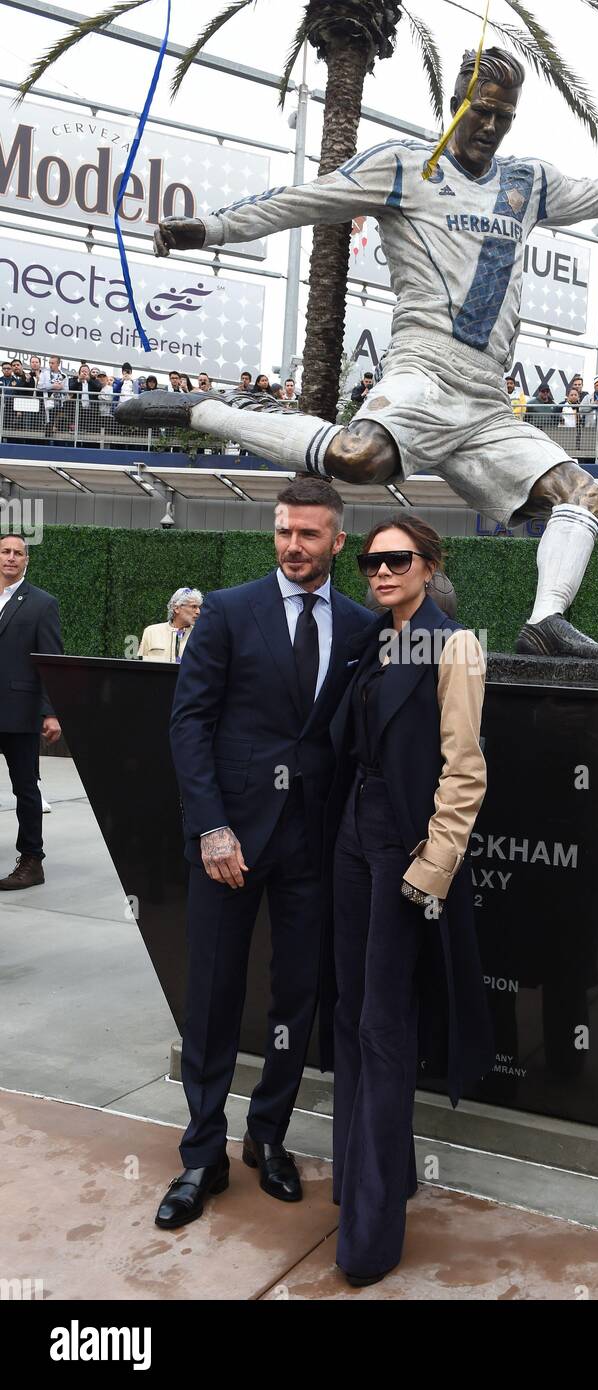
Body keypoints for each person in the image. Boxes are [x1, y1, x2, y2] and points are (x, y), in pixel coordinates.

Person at [123, 46, 598, 659]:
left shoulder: (528, 182)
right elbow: (305, 199)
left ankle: (545, 622)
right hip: (424, 370)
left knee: (582, 493)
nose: (491, 126)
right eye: (481, 109)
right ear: (455, 104)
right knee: (357, 458)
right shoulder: (403, 167)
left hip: (488, 401)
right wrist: (209, 229)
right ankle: (207, 409)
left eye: (504, 115)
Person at [154, 477, 374, 1230]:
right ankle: (201, 1154)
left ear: (337, 541)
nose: (294, 546)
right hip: (229, 842)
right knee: (212, 994)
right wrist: (211, 825)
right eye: (284, 531)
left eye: (310, 534)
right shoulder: (228, 609)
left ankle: (268, 1138)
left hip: (313, 844)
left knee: (297, 998)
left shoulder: (357, 625)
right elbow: (190, 722)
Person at [323, 516, 491, 1284]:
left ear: (429, 564)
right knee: (352, 1015)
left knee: (382, 1026)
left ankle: (371, 1226)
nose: (382, 572)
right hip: (352, 837)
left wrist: (435, 862)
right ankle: (378, 1178)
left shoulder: (452, 644)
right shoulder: (373, 639)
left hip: (403, 846)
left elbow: (465, 769)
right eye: (371, 562)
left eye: (398, 560)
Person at [0, 535, 63, 890]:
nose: (11, 558)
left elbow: (51, 662)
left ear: (26, 560)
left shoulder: (42, 604)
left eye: (18, 553)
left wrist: (51, 712)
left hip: (20, 713)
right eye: (5, 552)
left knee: (26, 789)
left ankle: (32, 861)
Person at [138, 588, 203, 662]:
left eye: (199, 607)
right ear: (176, 608)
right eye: (193, 606)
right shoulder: (151, 632)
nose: (198, 612)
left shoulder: (201, 635)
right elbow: (140, 665)